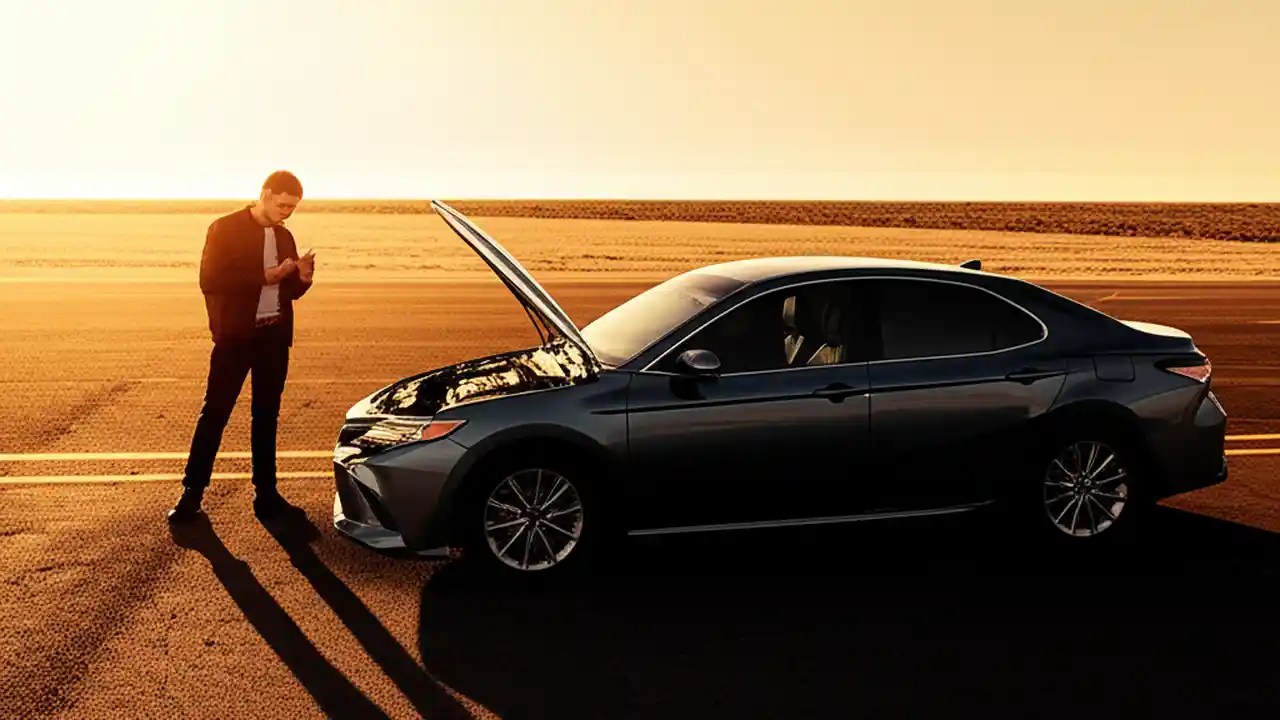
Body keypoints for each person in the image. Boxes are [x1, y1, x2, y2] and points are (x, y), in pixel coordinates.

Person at [168, 170, 315, 522]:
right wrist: (264, 277)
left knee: (266, 417)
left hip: (274, 338)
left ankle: (266, 494)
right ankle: (191, 494)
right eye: (282, 205)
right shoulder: (224, 228)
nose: (286, 213)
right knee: (215, 413)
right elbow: (210, 279)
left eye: (293, 208)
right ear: (264, 194)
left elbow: (289, 292)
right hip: (235, 338)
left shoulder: (285, 236)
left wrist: (303, 280)